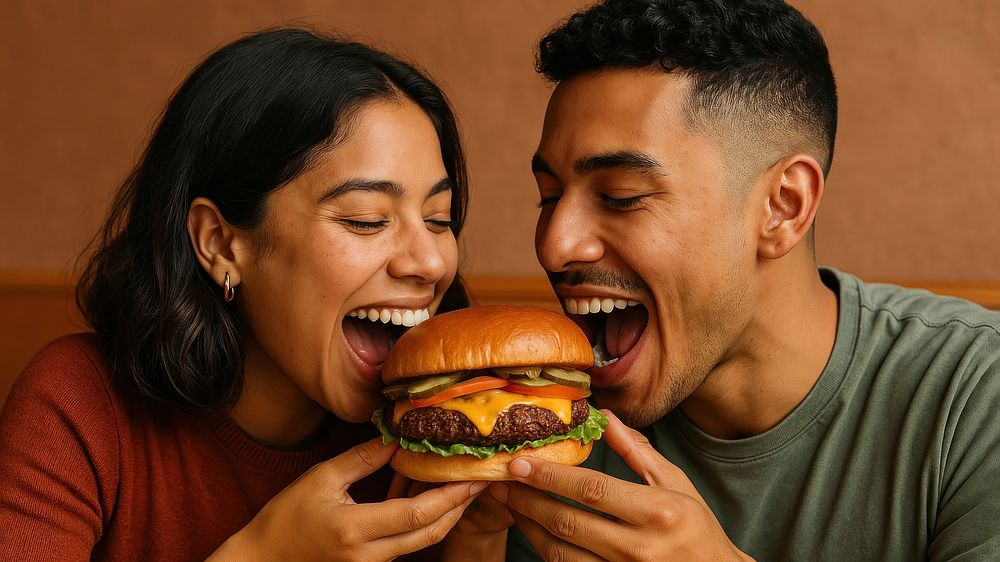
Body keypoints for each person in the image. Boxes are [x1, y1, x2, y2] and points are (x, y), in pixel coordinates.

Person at [488, 1, 1000, 560]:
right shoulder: (529, 416)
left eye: (621, 196)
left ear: (782, 206)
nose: (555, 245)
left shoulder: (976, 395)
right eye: (548, 195)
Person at [0, 28, 489, 560]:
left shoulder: (440, 433)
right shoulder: (78, 404)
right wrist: (265, 554)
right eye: (366, 219)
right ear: (220, 243)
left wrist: (475, 539)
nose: (433, 262)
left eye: (439, 220)